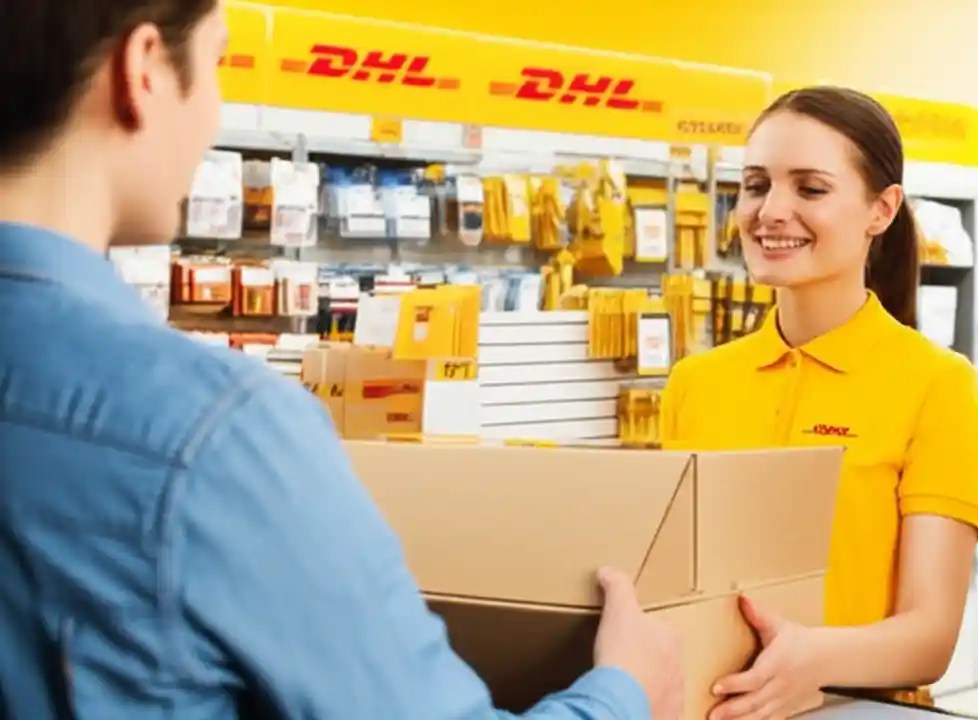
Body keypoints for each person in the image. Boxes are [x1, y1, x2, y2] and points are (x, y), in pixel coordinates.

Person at [0, 1, 681, 718]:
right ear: (141, 73)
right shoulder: (212, 430)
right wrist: (624, 690)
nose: (215, 109)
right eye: (219, 64)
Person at [661, 86, 978, 719]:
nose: (770, 211)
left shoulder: (937, 383)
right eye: (756, 185)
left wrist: (811, 659)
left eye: (810, 189)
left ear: (881, 210)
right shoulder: (695, 383)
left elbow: (930, 637)